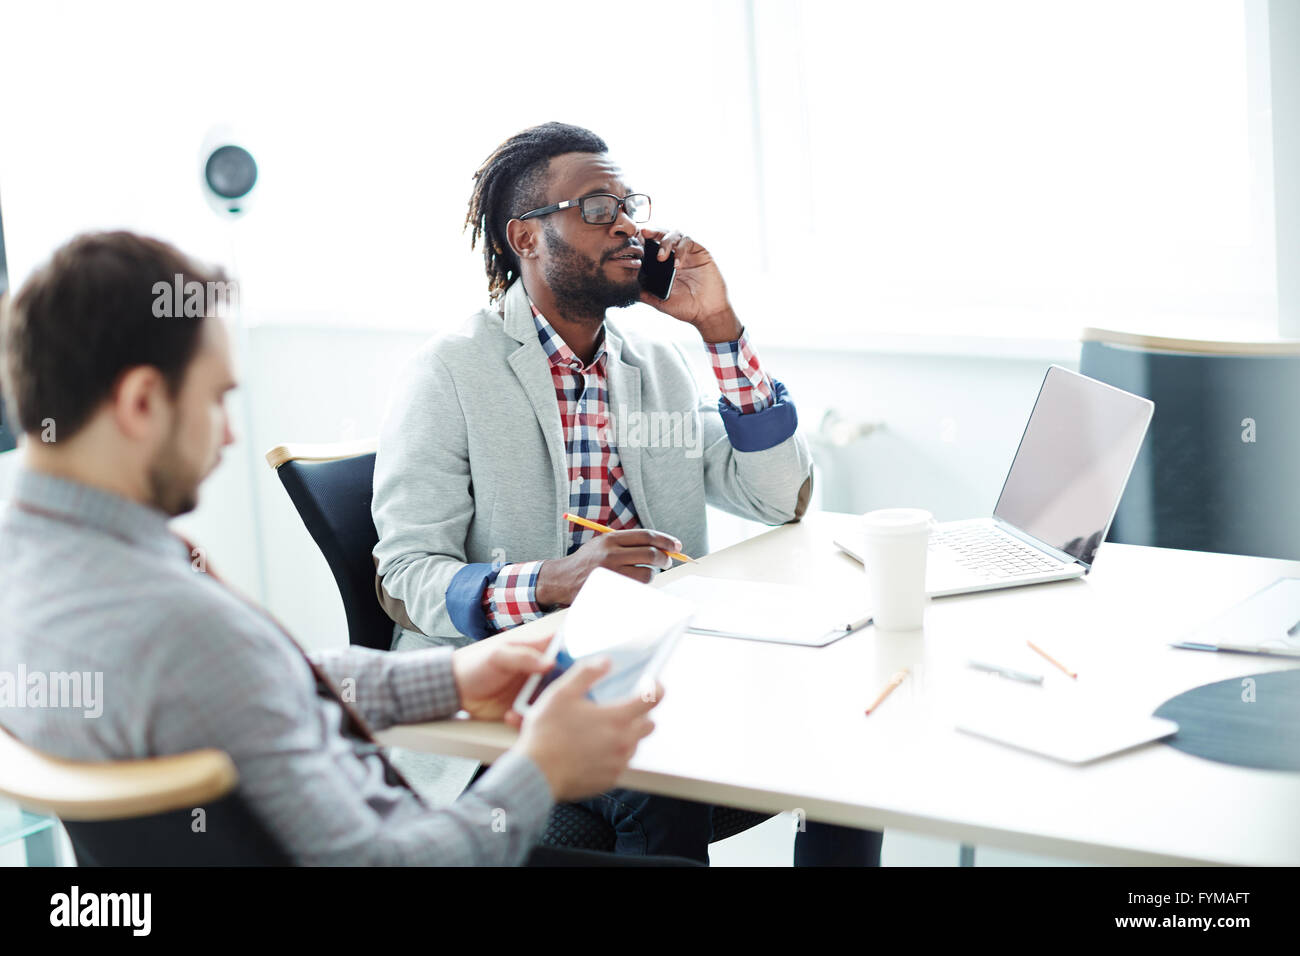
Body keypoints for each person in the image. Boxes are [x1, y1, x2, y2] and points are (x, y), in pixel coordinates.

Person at [0, 231, 672, 866]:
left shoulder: (35, 569)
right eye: (216, 401)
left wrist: (452, 679)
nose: (231, 436)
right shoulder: (182, 627)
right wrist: (540, 769)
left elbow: (255, 692)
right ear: (142, 403)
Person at [371, 122, 882, 864]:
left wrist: (719, 328)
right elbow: (406, 575)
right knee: (658, 762)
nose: (629, 228)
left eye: (628, 204)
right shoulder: (449, 372)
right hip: (523, 693)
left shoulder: (655, 362)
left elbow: (779, 498)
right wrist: (552, 581)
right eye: (597, 208)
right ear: (526, 236)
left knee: (852, 723)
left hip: (668, 660)